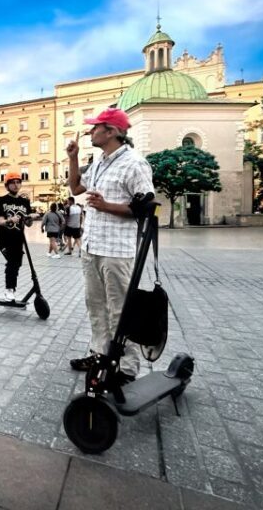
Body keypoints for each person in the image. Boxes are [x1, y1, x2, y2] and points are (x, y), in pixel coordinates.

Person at [66, 108, 155, 385]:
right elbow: (75, 188)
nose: (91, 132)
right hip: (92, 247)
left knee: (120, 310)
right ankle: (100, 354)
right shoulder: (100, 162)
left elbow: (146, 208)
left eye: (96, 127)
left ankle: (126, 369)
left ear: (112, 131)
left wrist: (107, 206)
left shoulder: (134, 164)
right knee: (95, 306)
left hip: (117, 251)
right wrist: (72, 158)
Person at [0, 172, 37, 300]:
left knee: (17, 263)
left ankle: (11, 288)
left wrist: (31, 218)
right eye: (12, 183)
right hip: (4, 237)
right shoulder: (2, 201)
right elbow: (0, 221)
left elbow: (28, 223)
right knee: (12, 262)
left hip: (19, 238)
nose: (16, 185)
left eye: (18, 182)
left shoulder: (25, 201)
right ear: (7, 186)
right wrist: (9, 220)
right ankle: (9, 289)